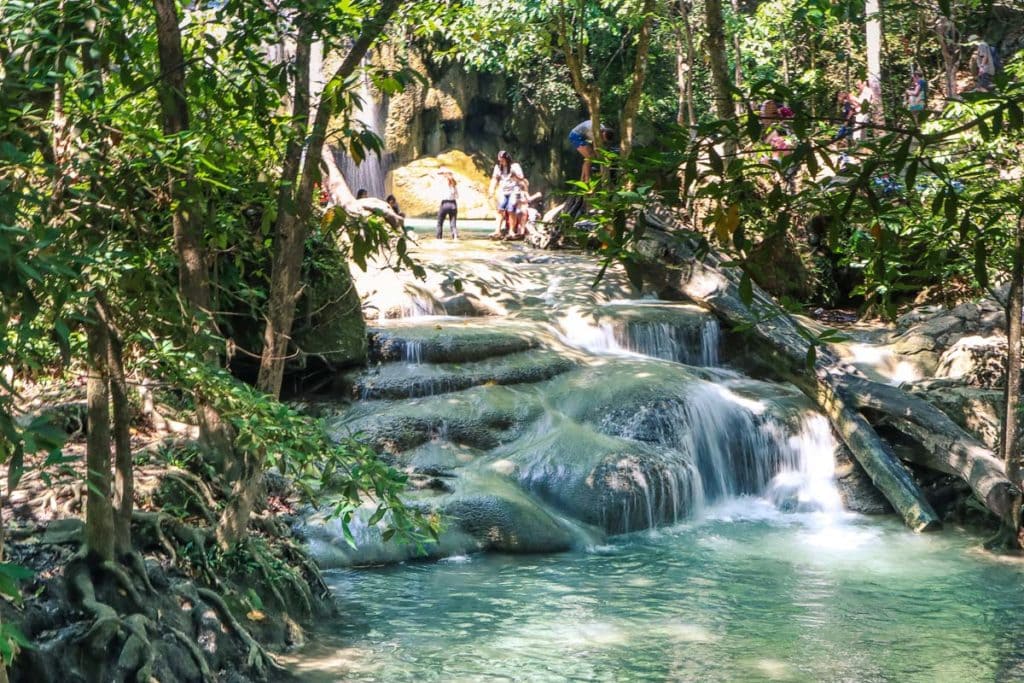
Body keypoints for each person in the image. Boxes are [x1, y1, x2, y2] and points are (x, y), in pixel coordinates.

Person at [487, 150, 525, 239]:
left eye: (502, 160)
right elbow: (494, 179)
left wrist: (514, 174)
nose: (501, 162)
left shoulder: (515, 166)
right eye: (499, 160)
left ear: (507, 159)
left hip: (514, 190)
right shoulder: (498, 167)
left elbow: (521, 178)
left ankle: (511, 231)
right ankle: (497, 231)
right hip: (503, 191)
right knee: (500, 209)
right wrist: (491, 189)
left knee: (511, 209)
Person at [435, 168, 458, 240]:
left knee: (440, 223)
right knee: (453, 223)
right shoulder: (454, 186)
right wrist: (448, 173)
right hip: (453, 204)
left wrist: (444, 173)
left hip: (445, 204)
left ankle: (439, 238)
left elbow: (438, 173)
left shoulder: (443, 183)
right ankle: (455, 238)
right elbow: (457, 196)